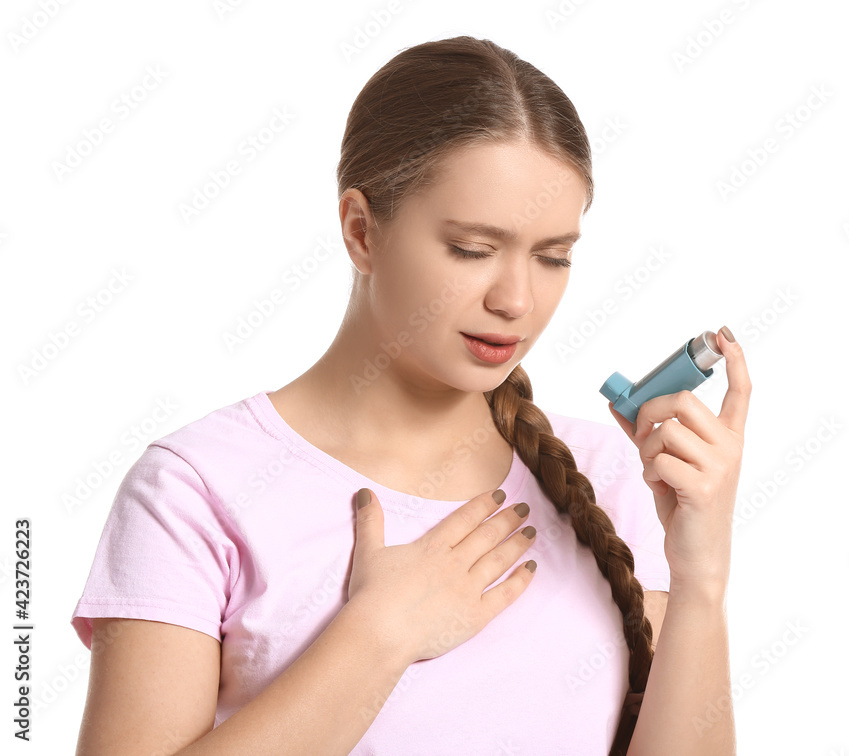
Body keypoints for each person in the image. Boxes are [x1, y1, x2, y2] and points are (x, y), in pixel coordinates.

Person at [71, 35, 750, 755]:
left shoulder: (610, 474)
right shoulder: (196, 490)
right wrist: (378, 638)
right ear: (361, 232)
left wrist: (701, 579)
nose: (517, 300)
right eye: (472, 250)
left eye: (553, 257)